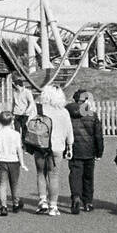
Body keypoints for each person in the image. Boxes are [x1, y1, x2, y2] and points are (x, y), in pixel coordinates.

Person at [30, 85, 73, 215]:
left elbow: (29, 125)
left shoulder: (38, 109)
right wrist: (70, 145)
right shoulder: (64, 112)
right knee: (53, 176)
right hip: (57, 147)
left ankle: (42, 200)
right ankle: (53, 206)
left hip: (40, 145)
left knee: (40, 173)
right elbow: (68, 130)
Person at [66, 89, 105, 214]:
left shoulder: (68, 114)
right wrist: (99, 152)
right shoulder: (92, 115)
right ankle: (88, 202)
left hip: (74, 148)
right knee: (88, 177)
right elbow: (98, 136)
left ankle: (76, 197)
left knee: (75, 174)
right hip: (89, 150)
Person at [0, 111, 28, 216]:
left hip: (1, 160)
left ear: (0, 121)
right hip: (14, 161)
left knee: (2, 183)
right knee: (14, 184)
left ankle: (3, 206)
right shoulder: (16, 134)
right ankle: (15, 203)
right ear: (12, 122)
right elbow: (19, 149)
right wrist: (22, 163)